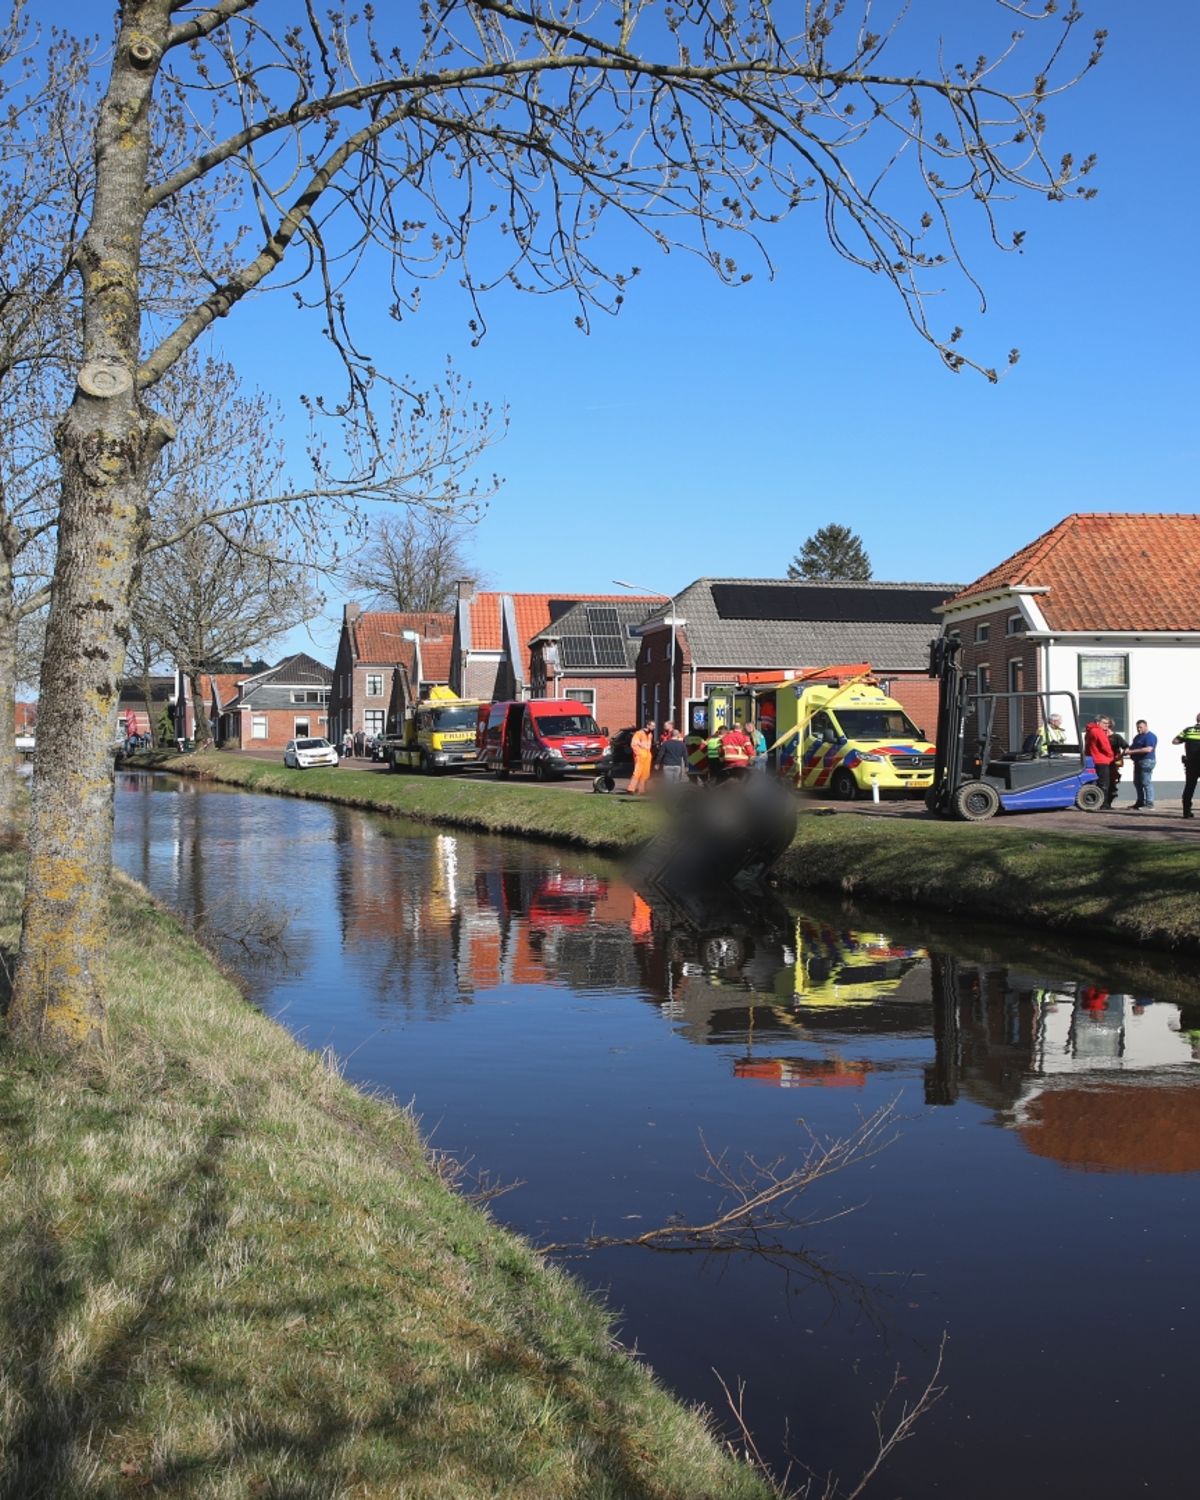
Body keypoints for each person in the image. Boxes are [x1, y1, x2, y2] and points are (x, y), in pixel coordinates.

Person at [1172, 710, 1200, 819]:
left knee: (1189, 786)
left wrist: (1187, 741)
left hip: (1191, 763)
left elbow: (1175, 741)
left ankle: (1186, 811)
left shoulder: (1188, 730)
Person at [1083, 715, 1115, 807]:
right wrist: (1111, 756)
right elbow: (1105, 746)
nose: (1107, 725)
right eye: (1104, 723)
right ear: (1098, 723)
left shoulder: (1089, 731)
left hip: (1092, 760)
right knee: (1104, 784)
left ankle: (1093, 802)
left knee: (1094, 783)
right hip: (1101, 760)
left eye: (1108, 724)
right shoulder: (1098, 731)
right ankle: (1103, 804)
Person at [1126, 719, 1157, 809]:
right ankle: (1140, 802)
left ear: (1146, 726)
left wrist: (1132, 751)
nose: (1139, 729)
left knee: (1146, 782)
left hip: (1147, 761)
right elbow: (1131, 747)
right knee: (1137, 783)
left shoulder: (1150, 736)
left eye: (1141, 727)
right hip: (1137, 762)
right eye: (1138, 728)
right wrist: (1126, 751)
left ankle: (1150, 804)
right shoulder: (1137, 737)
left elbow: (1148, 749)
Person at [626, 720, 655, 795]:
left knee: (645, 773)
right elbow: (634, 744)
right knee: (637, 772)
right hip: (641, 755)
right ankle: (631, 789)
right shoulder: (639, 733)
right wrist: (639, 753)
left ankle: (641, 790)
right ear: (647, 725)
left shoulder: (650, 734)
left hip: (647, 755)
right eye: (652, 726)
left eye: (654, 726)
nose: (653, 727)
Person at [1105, 718, 1128, 808]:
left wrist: (1120, 756)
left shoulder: (1116, 737)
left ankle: (1108, 803)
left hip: (1112, 763)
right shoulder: (1100, 735)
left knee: (1111, 782)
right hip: (1102, 762)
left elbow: (1126, 747)